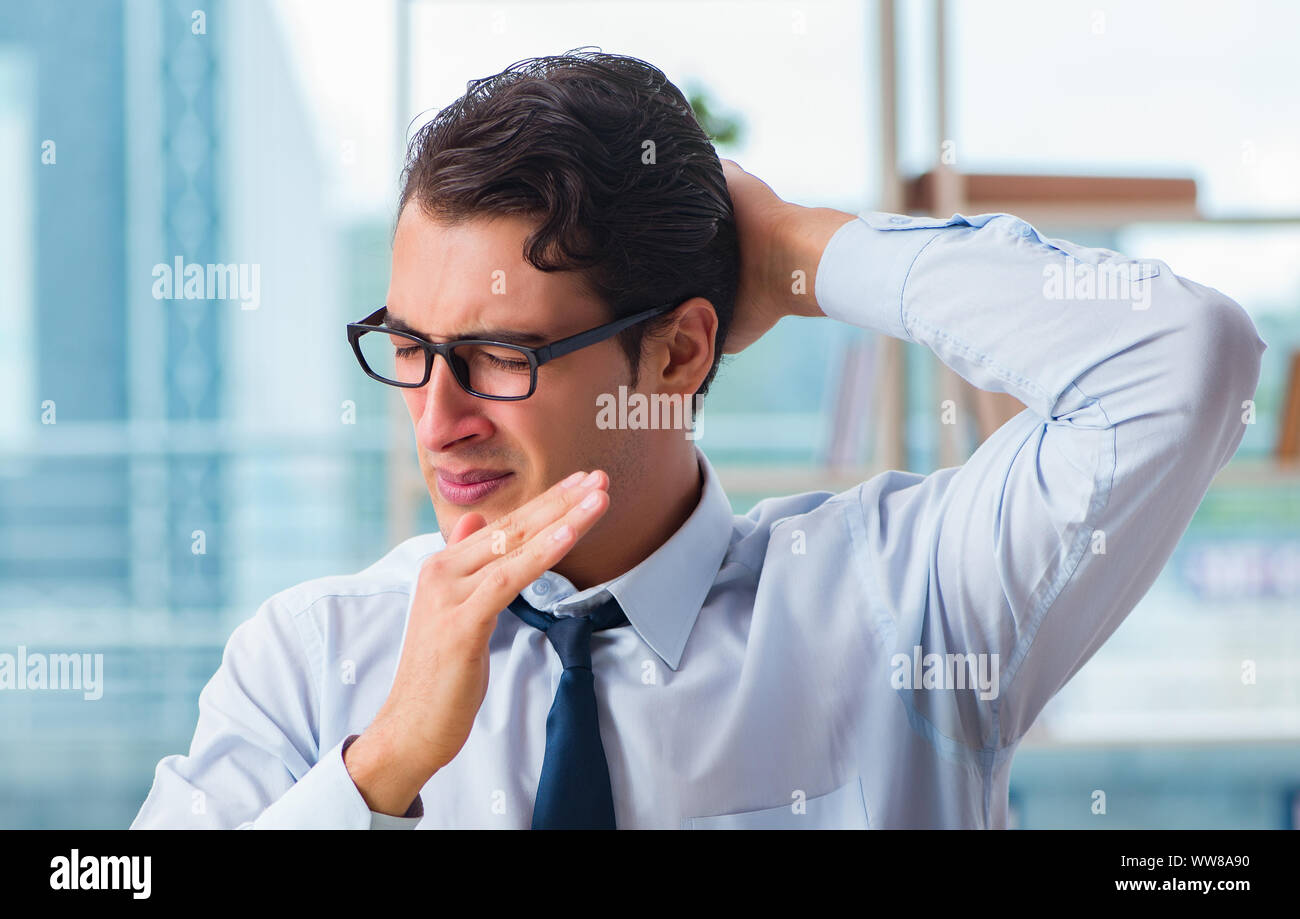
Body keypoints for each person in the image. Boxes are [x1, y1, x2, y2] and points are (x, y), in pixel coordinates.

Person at [131, 49, 1265, 829]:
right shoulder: (304, 663)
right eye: (411, 345)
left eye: (501, 356)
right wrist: (376, 777)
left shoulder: (908, 599)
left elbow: (1179, 355)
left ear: (676, 355)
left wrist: (799, 250)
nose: (437, 417)